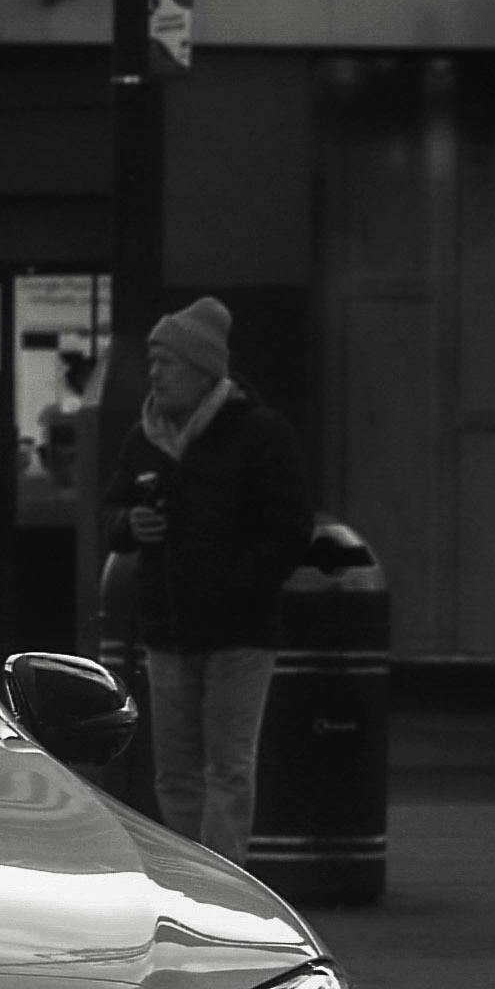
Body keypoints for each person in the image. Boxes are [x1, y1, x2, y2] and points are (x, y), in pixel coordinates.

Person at [102, 295, 314, 864]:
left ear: (202, 372)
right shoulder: (143, 438)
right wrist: (129, 523)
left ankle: (226, 885)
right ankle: (192, 877)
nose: (154, 373)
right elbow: (111, 516)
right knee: (174, 772)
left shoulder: (260, 434)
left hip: (239, 636)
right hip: (168, 631)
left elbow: (290, 528)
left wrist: (239, 589)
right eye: (151, 361)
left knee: (227, 766)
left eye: (165, 362)